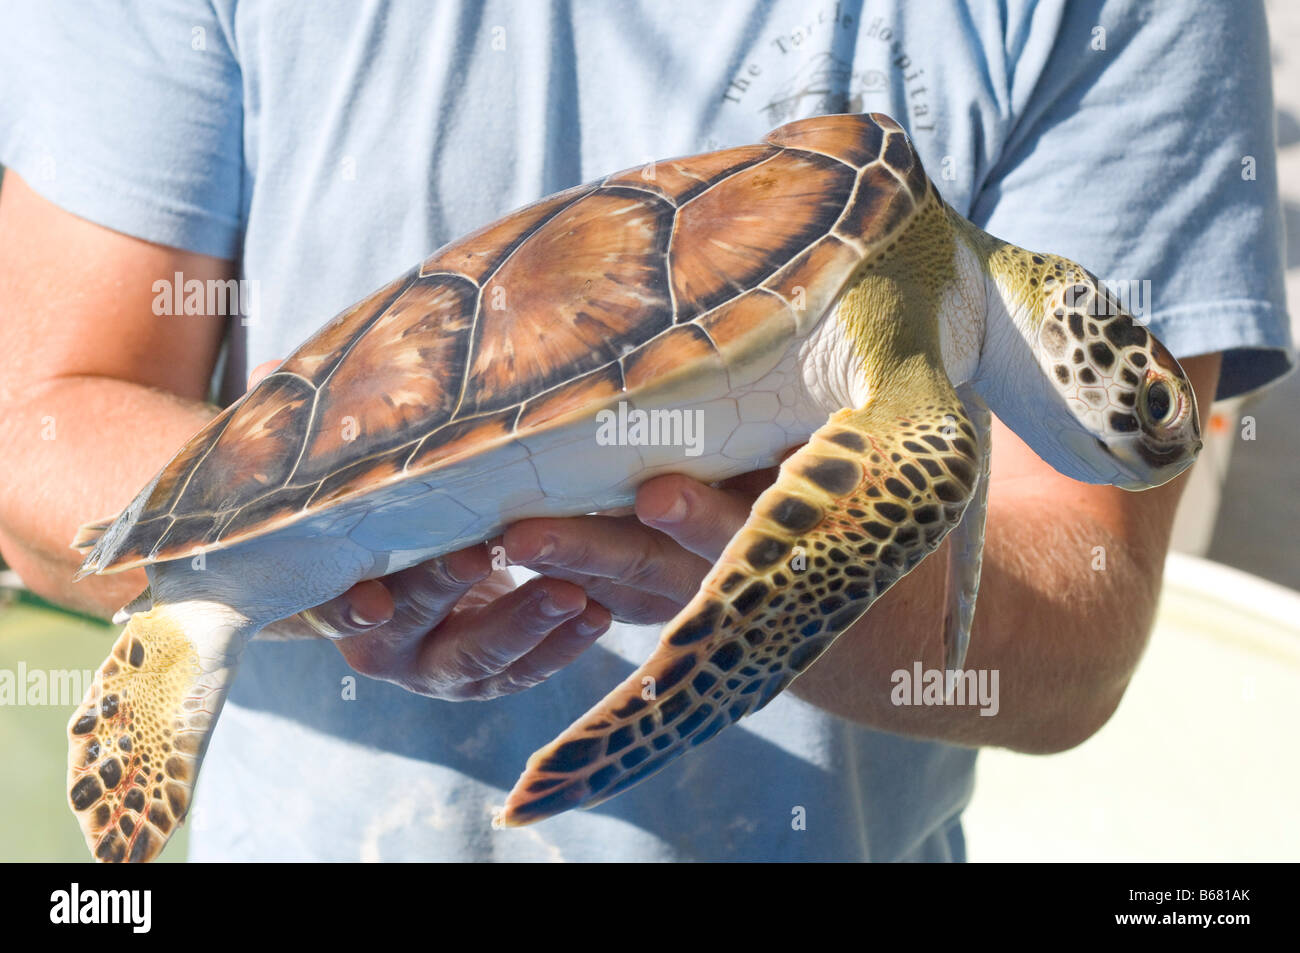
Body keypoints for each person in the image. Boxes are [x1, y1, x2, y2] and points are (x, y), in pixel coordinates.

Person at [0, 0, 1289, 861]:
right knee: (923, 460)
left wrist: (730, 600)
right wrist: (341, 578)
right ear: (1053, 323)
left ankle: (214, 595)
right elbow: (37, 429)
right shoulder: (921, 368)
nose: (1159, 427)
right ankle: (199, 611)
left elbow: (1083, 615)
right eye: (1149, 406)